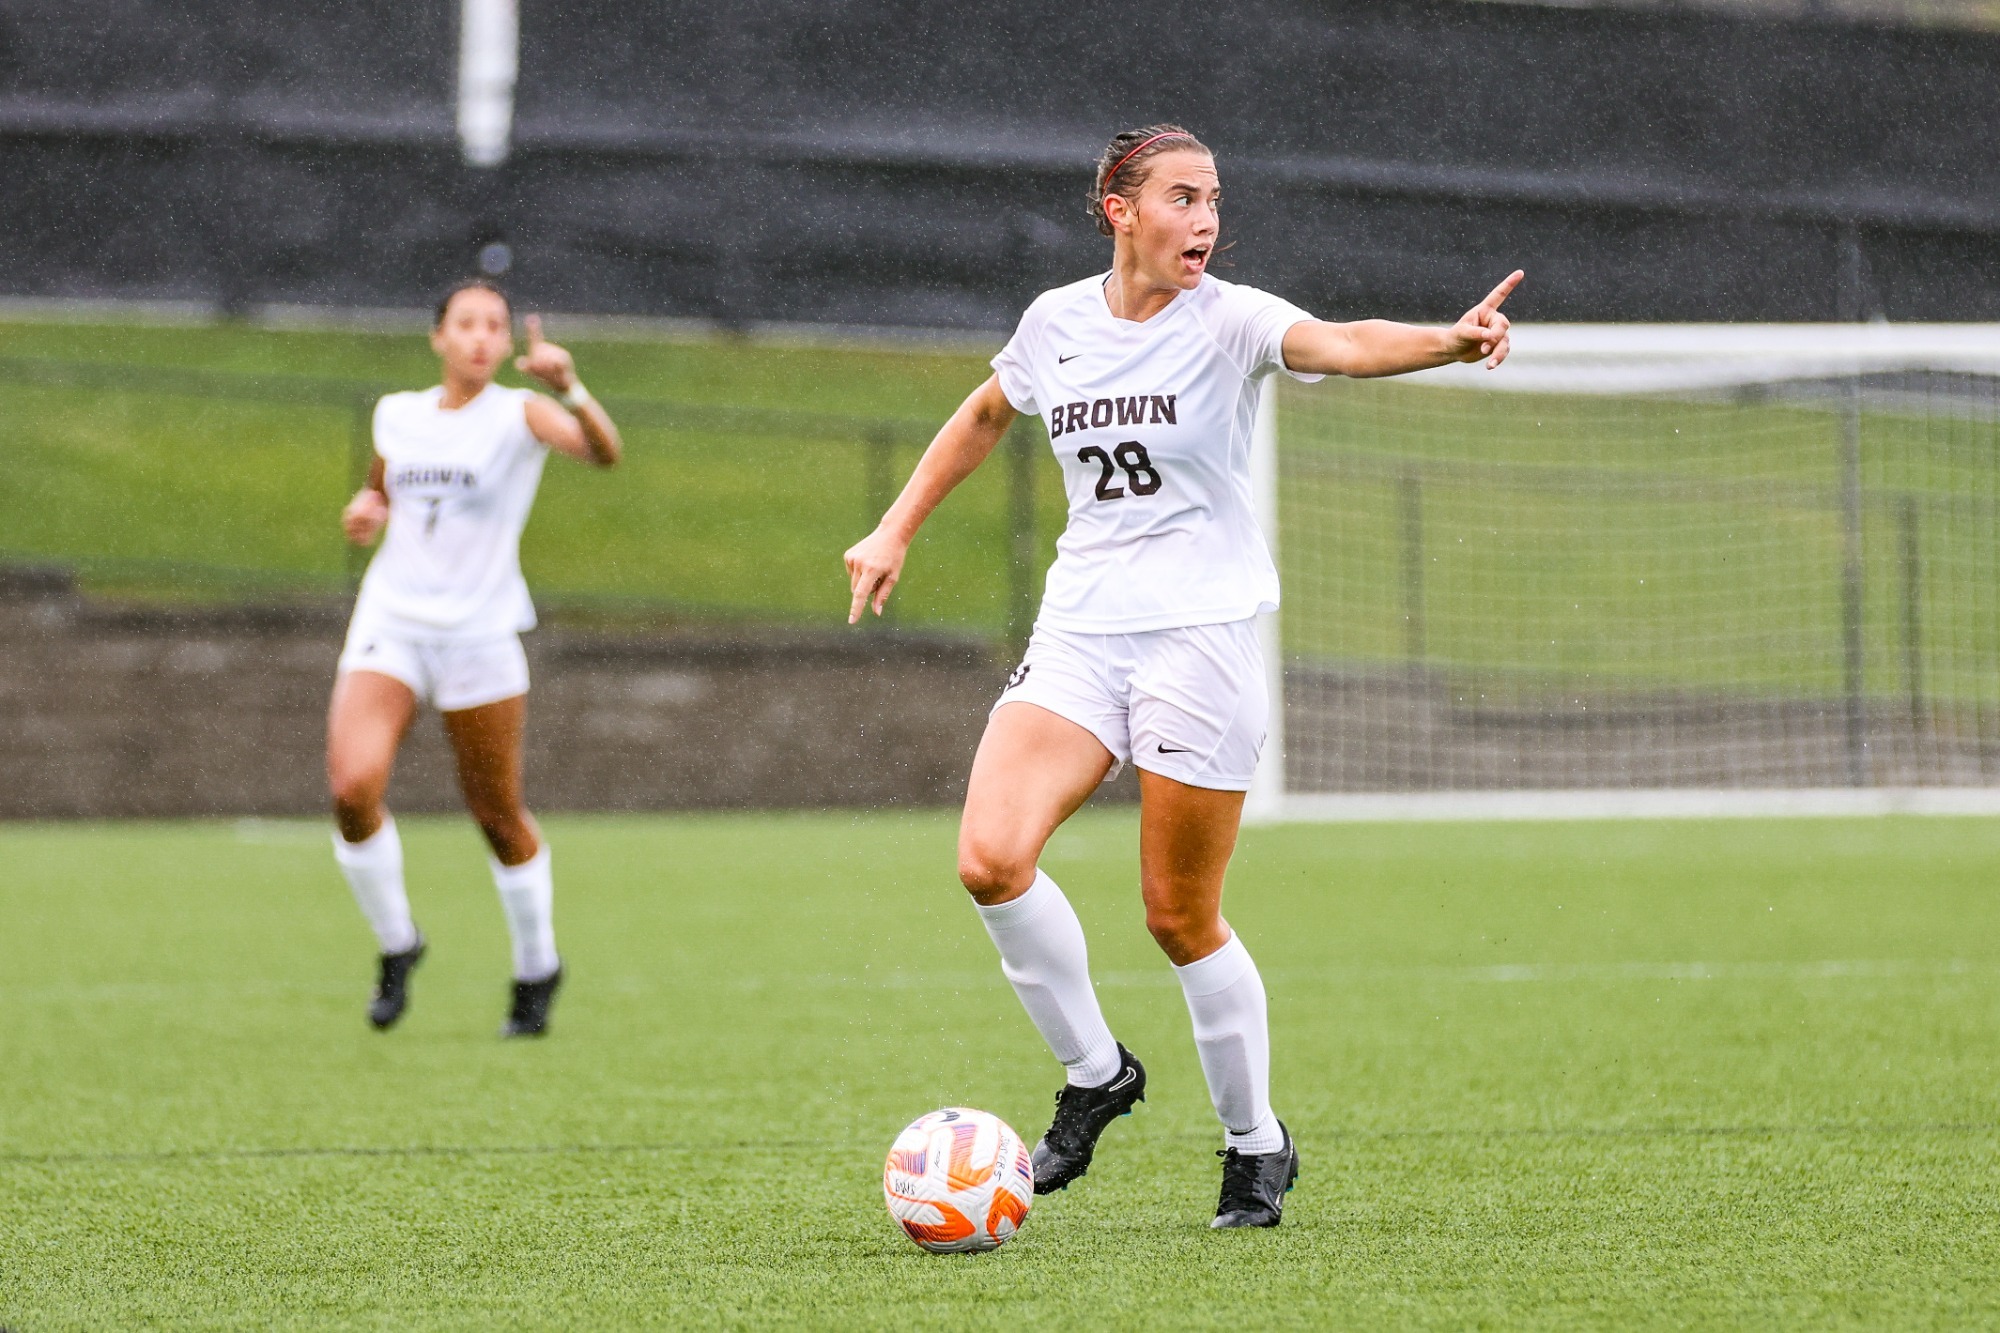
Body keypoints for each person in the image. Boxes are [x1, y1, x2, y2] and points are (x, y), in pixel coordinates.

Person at [844, 124, 1520, 1227]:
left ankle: (1254, 1142)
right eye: (1179, 197)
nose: (1202, 219)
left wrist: (1447, 343)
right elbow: (982, 412)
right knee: (987, 859)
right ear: (1120, 209)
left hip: (1198, 639)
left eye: (1211, 200)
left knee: (1175, 915)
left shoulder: (1232, 320)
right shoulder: (1053, 322)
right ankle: (1095, 1072)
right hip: (1079, 630)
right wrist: (894, 526)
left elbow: (1341, 343)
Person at [328, 279, 622, 1037]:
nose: (483, 338)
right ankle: (399, 943)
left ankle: (537, 964)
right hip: (392, 622)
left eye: (495, 325)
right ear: (438, 338)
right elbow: (383, 487)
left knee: (496, 812)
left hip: (481, 633)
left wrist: (572, 387)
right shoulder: (396, 412)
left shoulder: (518, 414)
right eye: (467, 324)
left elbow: (602, 453)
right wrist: (370, 510)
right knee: (353, 785)